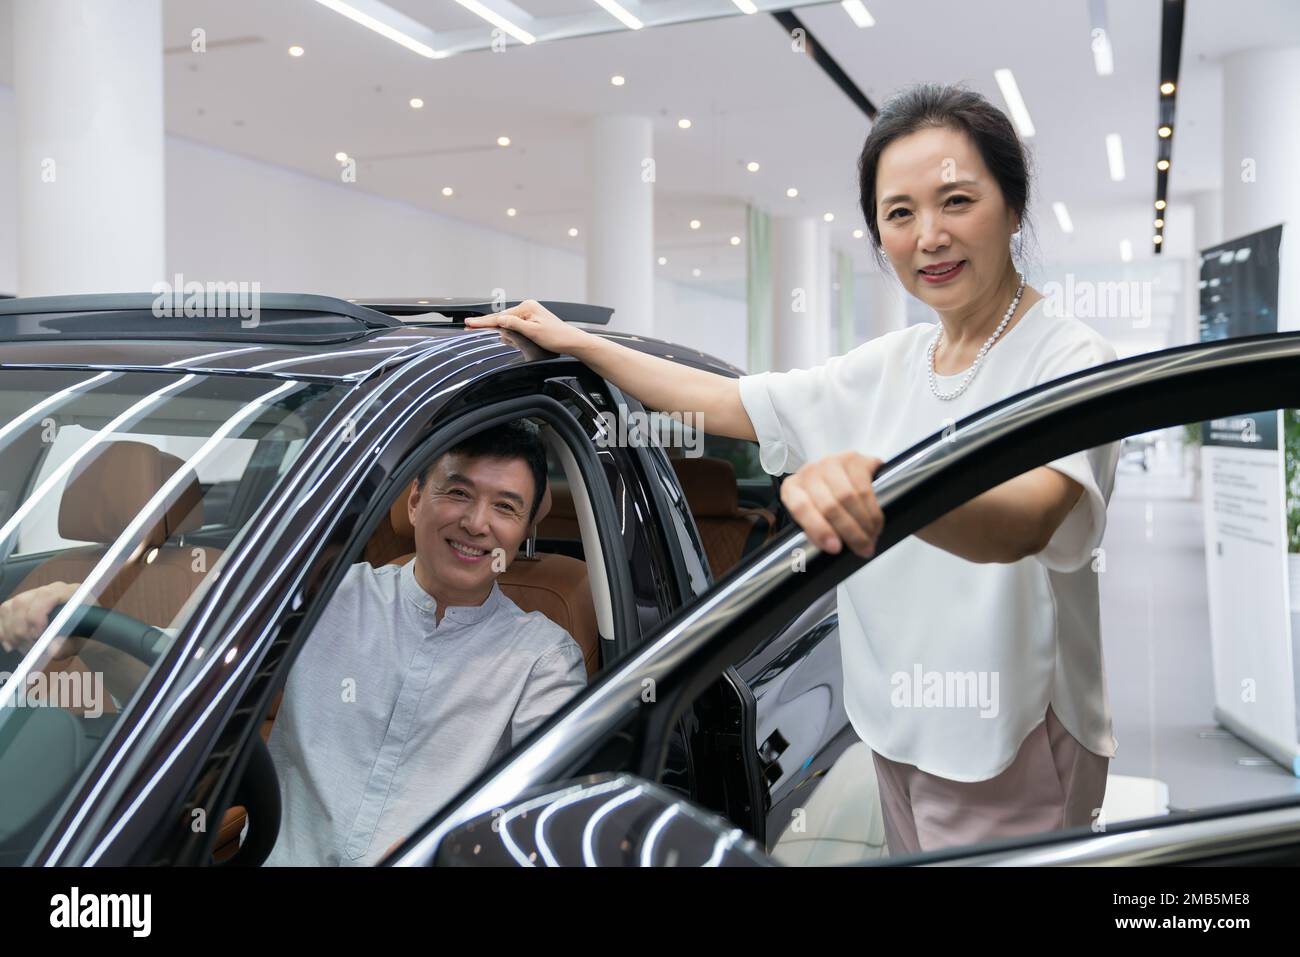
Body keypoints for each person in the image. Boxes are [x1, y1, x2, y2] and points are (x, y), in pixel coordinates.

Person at [467, 83, 1121, 856]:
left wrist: (886, 486)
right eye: (900, 213)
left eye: (956, 201)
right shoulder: (894, 362)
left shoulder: (1066, 353)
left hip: (1006, 735)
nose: (929, 236)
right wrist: (581, 343)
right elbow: (727, 402)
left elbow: (1032, 516)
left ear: (1013, 206)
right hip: (898, 722)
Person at [0, 420, 587, 866]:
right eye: (457, 493)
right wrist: (83, 626)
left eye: (504, 507)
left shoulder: (543, 658)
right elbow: (186, 674)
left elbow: (537, 818)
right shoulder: (323, 598)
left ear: (525, 531)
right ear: (415, 502)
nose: (477, 523)